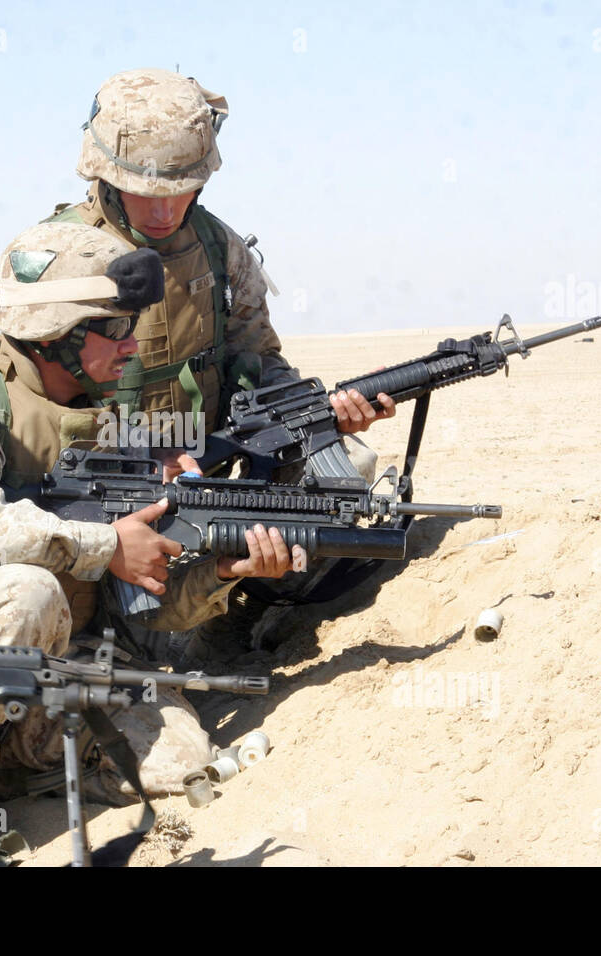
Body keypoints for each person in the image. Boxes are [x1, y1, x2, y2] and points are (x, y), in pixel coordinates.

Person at [0, 221, 301, 855]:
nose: (131, 344)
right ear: (55, 336)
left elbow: (149, 597)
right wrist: (104, 545)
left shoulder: (113, 418)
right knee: (26, 593)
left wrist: (224, 570)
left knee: (180, 760)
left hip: (56, 665)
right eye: (114, 327)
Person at [47, 67, 396, 661]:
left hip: (205, 464)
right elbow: (32, 402)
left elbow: (259, 359)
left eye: (183, 189)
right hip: (99, 487)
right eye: (149, 191)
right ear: (103, 173)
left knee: (346, 466)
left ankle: (259, 593)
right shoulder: (58, 260)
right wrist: (142, 450)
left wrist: (315, 412)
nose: (166, 211)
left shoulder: (219, 248)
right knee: (152, 648)